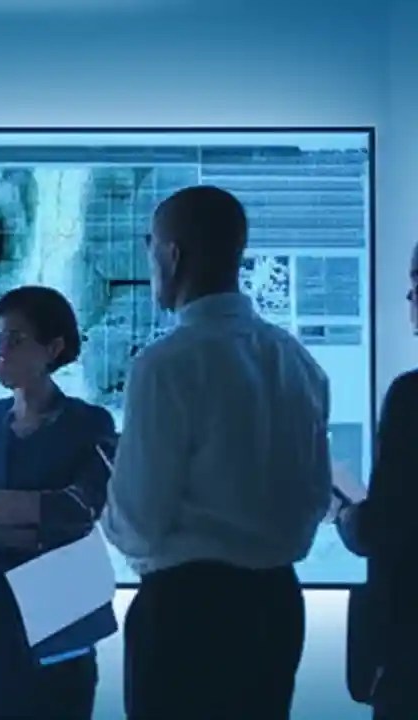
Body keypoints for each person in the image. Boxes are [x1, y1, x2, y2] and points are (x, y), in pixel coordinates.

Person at [101, 185, 331, 719]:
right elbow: (314, 497)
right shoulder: (297, 360)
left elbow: (138, 524)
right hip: (277, 606)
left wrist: (110, 501)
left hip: (187, 613)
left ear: (172, 255)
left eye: (150, 248)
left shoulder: (165, 364)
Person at [0, 285, 116, 720]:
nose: (2, 350)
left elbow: (79, 510)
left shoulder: (89, 423)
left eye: (15, 339)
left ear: (53, 348)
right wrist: (34, 527)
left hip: (61, 611)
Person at [334, 241, 418, 719]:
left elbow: (382, 527)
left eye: (415, 284)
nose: (409, 300)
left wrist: (346, 514)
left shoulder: (411, 397)